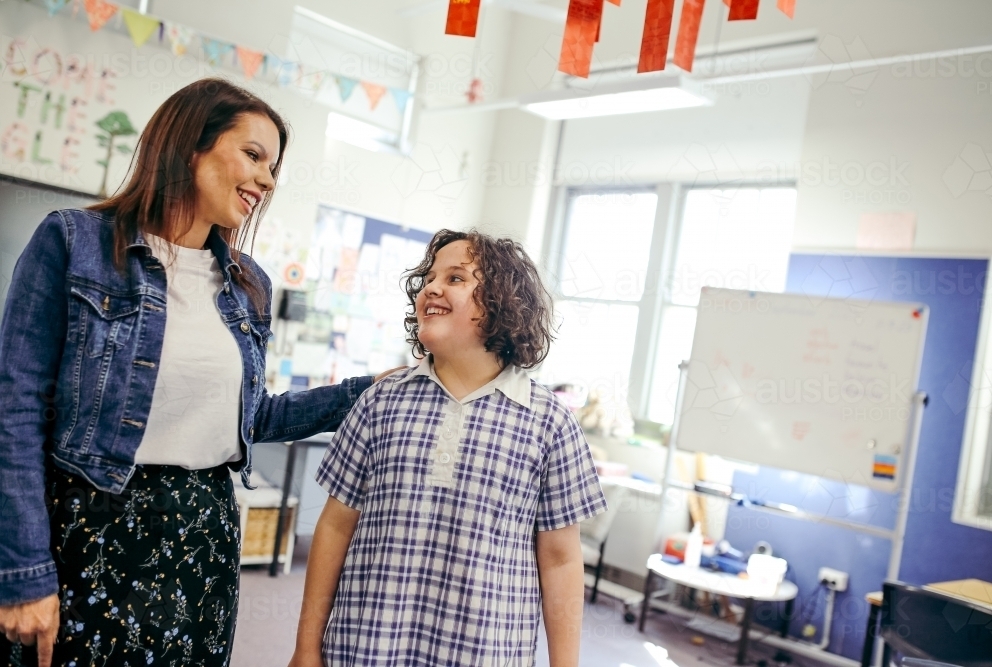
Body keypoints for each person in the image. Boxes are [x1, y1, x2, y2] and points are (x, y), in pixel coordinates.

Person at [0, 78, 396, 667]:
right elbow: (16, 409)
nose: (266, 180)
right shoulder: (73, 242)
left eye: (273, 168)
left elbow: (251, 415)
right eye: (253, 155)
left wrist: (368, 390)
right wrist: (25, 571)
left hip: (201, 534)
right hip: (89, 528)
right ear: (190, 147)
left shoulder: (247, 283)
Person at [288, 230, 607, 667]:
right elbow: (335, 527)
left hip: (487, 653)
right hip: (364, 648)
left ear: (503, 303)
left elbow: (560, 561)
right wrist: (307, 648)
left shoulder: (549, 422)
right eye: (428, 277)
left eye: (456, 278)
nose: (432, 287)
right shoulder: (381, 401)